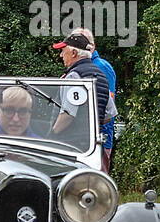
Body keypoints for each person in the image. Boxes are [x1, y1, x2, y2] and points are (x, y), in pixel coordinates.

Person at [50, 32, 113, 159]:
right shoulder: (101, 76)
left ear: (74, 53)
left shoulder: (74, 76)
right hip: (93, 148)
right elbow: (109, 115)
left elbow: (68, 114)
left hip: (71, 148)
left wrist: (51, 134)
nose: (61, 55)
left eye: (63, 51)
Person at [69, 26, 118, 170]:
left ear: (92, 46)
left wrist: (103, 141)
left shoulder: (100, 67)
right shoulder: (78, 68)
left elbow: (107, 107)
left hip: (98, 139)